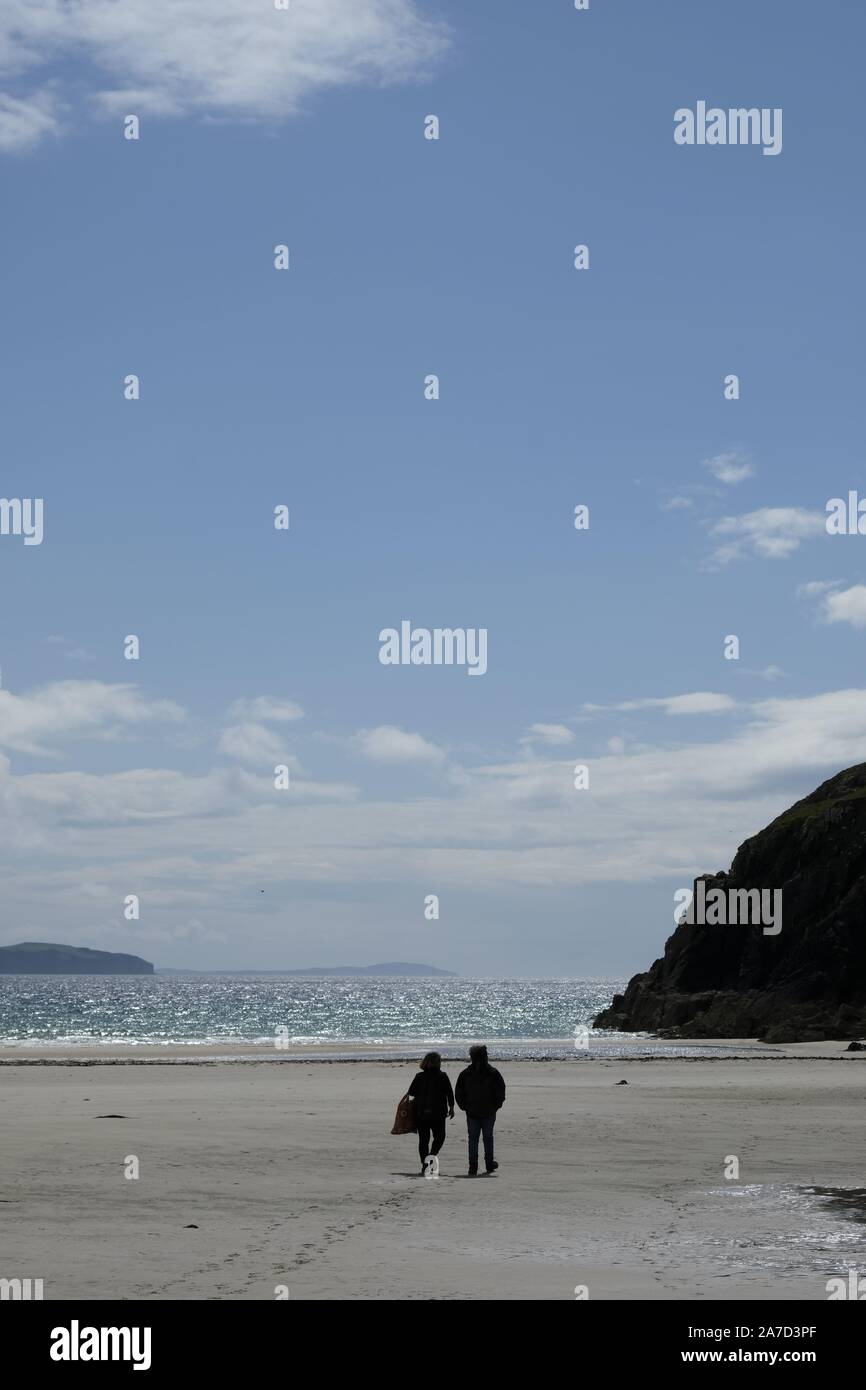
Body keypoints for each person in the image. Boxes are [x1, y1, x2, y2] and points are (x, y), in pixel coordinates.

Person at [455, 1044, 506, 1176]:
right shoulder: (492, 1073)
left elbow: (459, 1092)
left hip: (474, 1111)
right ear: (485, 1057)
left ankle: (473, 1167)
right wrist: (496, 1105)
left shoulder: (466, 1074)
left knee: (473, 1139)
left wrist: (464, 1106)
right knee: (487, 1138)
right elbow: (501, 1091)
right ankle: (488, 1164)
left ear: (472, 1057)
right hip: (486, 1111)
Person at [407, 1052, 454, 1174]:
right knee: (439, 1137)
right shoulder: (442, 1076)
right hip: (438, 1113)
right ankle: (431, 1157)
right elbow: (449, 1093)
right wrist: (452, 1107)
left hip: (421, 1112)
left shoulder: (419, 1076)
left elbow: (411, 1092)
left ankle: (425, 1164)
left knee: (424, 1140)